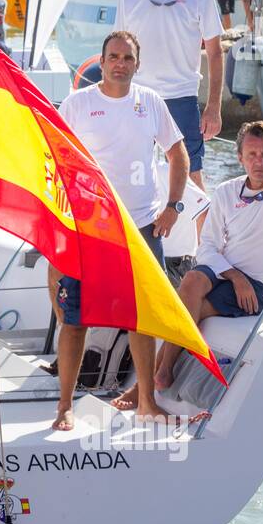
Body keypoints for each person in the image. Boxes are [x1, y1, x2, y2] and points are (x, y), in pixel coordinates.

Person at [49, 30, 190, 430]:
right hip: (89, 228)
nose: (120, 64)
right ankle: (65, 406)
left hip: (141, 226)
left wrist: (173, 207)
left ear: (137, 63)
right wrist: (63, 215)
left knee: (142, 318)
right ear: (103, 60)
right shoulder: (78, 104)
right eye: (114, 57)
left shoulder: (152, 103)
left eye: (127, 57)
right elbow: (54, 159)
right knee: (75, 320)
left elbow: (177, 154)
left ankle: (147, 401)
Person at [153, 121, 263, 389]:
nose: (259, 162)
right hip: (227, 270)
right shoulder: (226, 191)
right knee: (191, 282)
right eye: (252, 155)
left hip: (259, 284)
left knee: (194, 310)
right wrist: (233, 276)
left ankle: (156, 376)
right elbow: (207, 245)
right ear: (240, 158)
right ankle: (161, 374)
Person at [114, 0, 224, 191]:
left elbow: (215, 53)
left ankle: (202, 235)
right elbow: (117, 51)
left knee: (191, 176)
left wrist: (213, 107)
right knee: (131, 174)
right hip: (137, 98)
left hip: (182, 98)